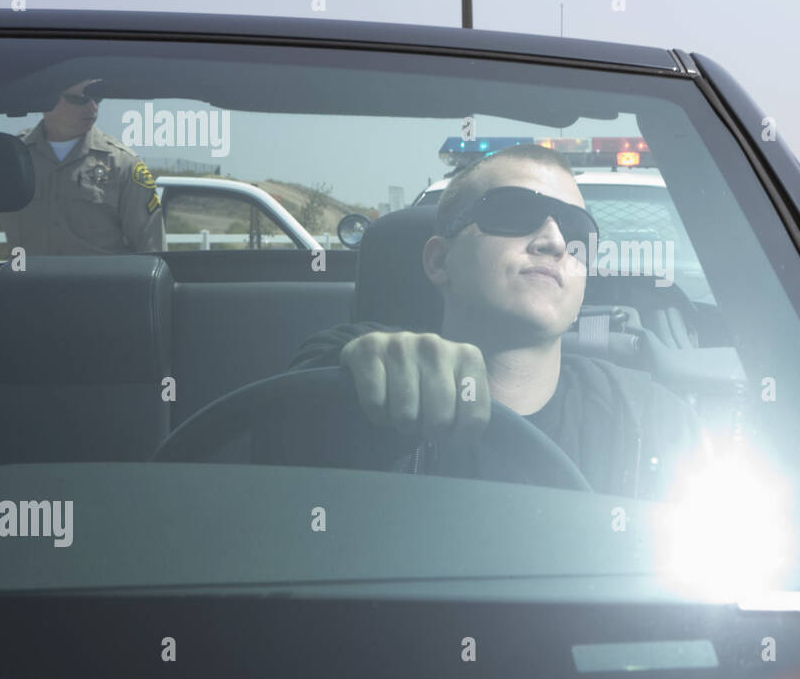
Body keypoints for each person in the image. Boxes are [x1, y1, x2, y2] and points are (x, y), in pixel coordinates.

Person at [289, 144, 710, 499]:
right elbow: (295, 409)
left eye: (577, 229)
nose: (556, 241)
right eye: (514, 212)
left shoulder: (653, 424)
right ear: (439, 260)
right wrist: (362, 365)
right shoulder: (354, 388)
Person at [0, 78, 164, 257]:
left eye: (97, 98)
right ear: (46, 100)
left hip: (99, 292)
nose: (92, 107)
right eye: (79, 100)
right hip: (25, 290)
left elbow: (152, 251)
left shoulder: (123, 164)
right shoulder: (8, 159)